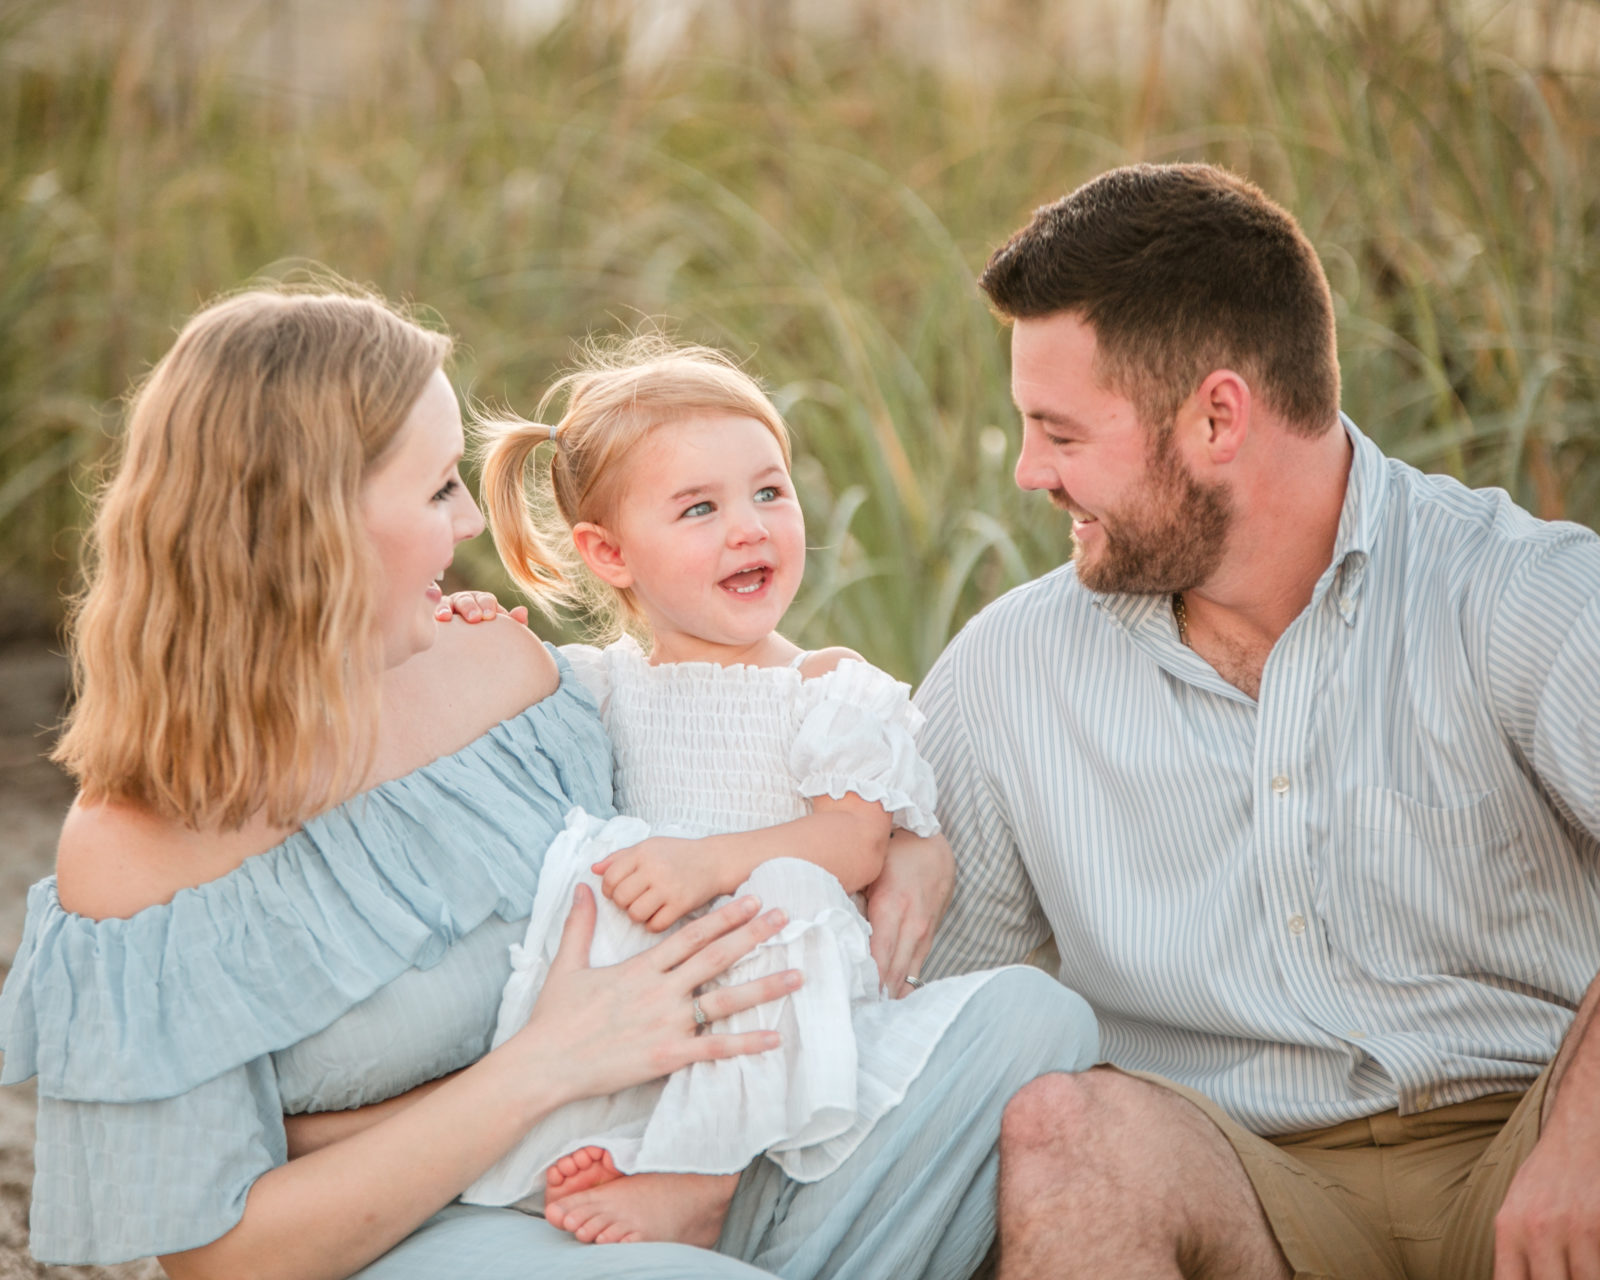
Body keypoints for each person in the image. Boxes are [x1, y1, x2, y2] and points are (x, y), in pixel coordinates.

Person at [0, 284, 1097, 1280]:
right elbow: (221, 1252)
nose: (473, 524)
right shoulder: (135, 844)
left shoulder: (504, 671)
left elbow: (708, 758)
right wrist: (546, 1065)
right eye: (437, 487)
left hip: (663, 1140)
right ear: (309, 522)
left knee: (1028, 1027)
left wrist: (897, 834)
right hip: (416, 1232)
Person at [913, 163, 1600, 1279]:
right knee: (1066, 1138)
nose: (1030, 473)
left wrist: (1586, 1134)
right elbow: (916, 1008)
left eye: (1062, 433)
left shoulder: (1517, 593)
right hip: (1243, 1187)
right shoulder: (1003, 674)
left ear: (1216, 417)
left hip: (1532, 1148)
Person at [452, 335, 1090, 1246]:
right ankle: (622, 1142)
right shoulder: (598, 685)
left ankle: (701, 1178)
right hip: (649, 996)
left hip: (782, 991)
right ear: (609, 553)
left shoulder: (826, 689)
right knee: (592, 876)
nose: (749, 527)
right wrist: (476, 628)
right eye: (700, 508)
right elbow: (492, 694)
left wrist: (709, 862)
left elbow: (855, 843)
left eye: (769, 492)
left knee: (779, 892)